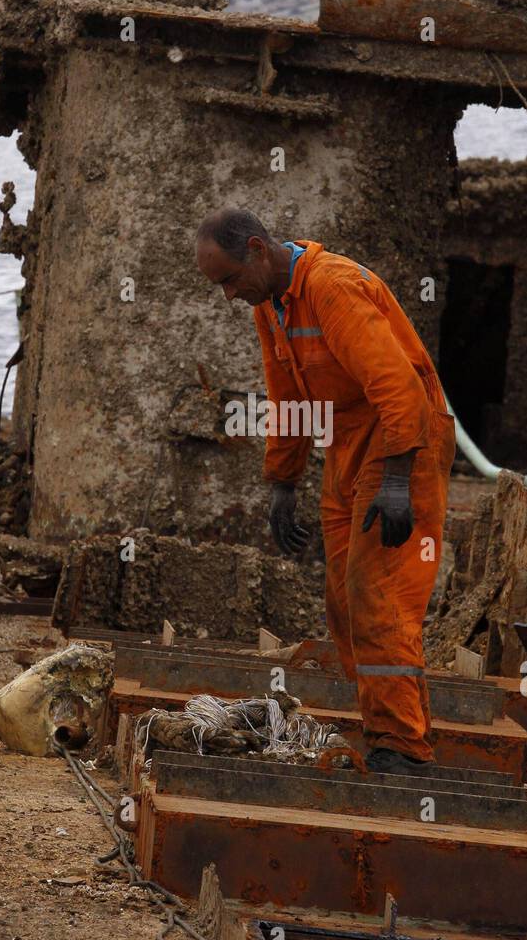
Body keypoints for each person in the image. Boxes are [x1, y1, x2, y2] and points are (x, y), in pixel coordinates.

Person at [195, 207, 455, 775]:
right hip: (349, 444)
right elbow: (287, 396)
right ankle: (388, 729)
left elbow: (399, 388)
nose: (228, 295)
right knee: (343, 599)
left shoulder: (333, 287)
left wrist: (394, 480)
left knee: (376, 593)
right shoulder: (272, 306)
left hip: (402, 439)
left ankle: (403, 747)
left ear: (258, 251)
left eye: (230, 280)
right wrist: (281, 483)